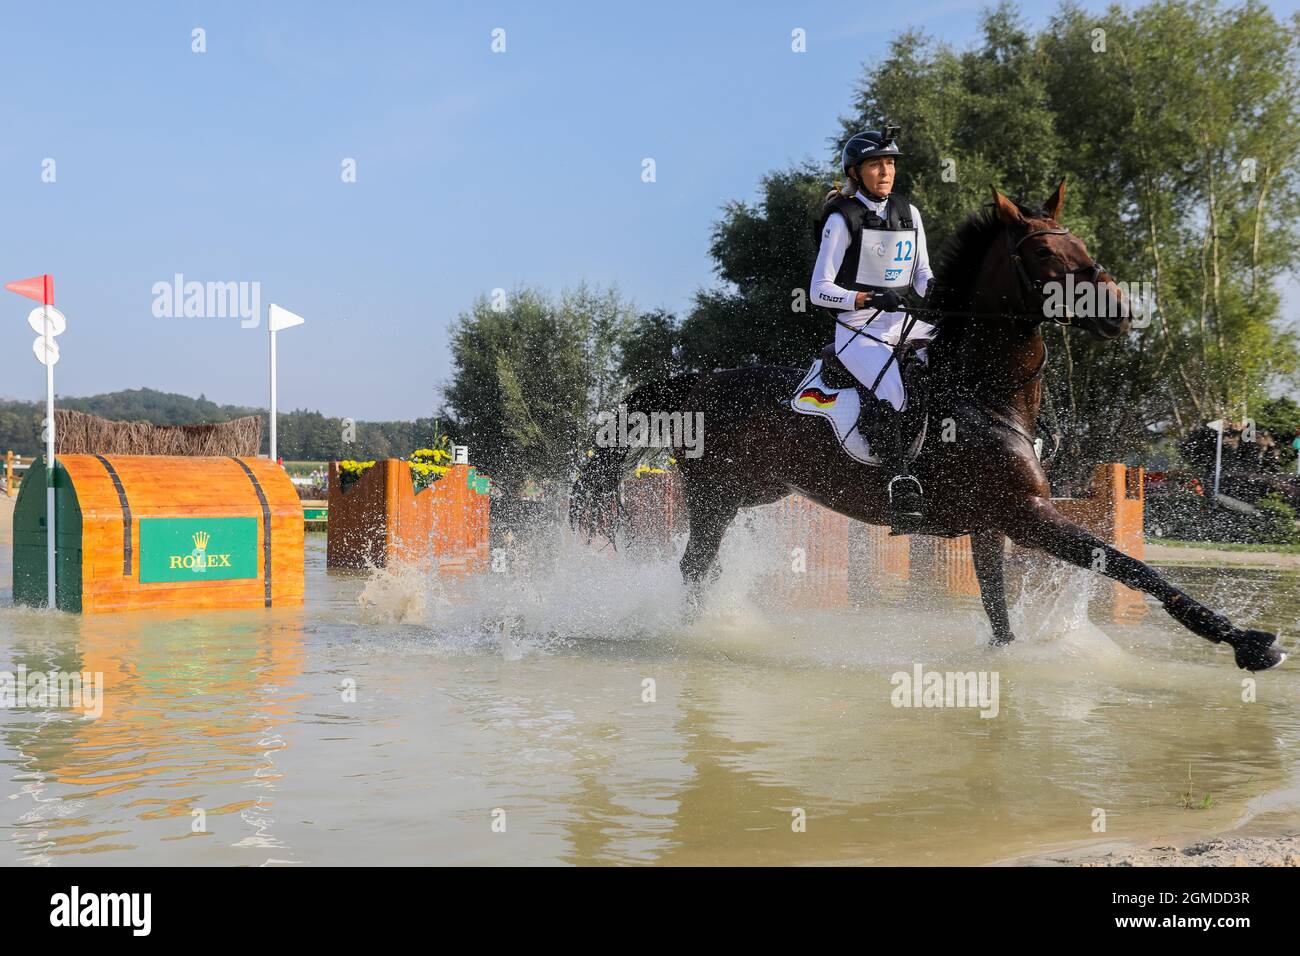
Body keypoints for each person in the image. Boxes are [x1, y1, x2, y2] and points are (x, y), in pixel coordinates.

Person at [809, 124, 933, 526]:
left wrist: (944, 293)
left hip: (902, 321)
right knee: (895, 393)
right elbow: (818, 290)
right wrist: (866, 298)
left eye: (890, 164)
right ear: (855, 172)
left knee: (958, 358)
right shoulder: (841, 219)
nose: (885, 171)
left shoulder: (908, 213)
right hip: (858, 329)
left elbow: (921, 275)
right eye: (876, 164)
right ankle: (898, 480)